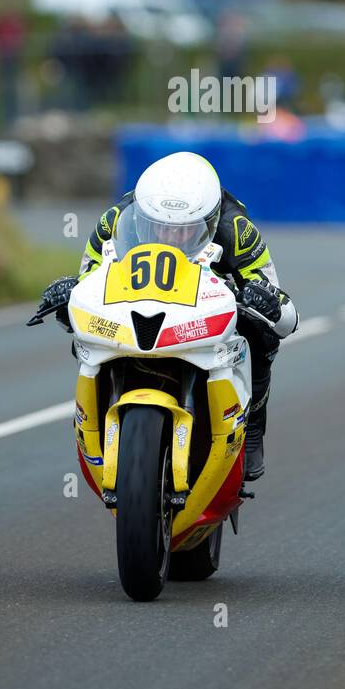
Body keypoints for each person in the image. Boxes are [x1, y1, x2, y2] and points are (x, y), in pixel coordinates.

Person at [36, 151, 298, 480]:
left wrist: (264, 299)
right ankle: (99, 416)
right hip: (136, 304)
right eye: (160, 229)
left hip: (206, 309)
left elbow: (285, 312)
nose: (173, 237)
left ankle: (254, 427)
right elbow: (90, 280)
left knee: (265, 333)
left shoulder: (238, 230)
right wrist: (67, 295)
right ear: (142, 216)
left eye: (185, 231)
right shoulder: (115, 220)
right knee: (81, 329)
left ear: (210, 222)